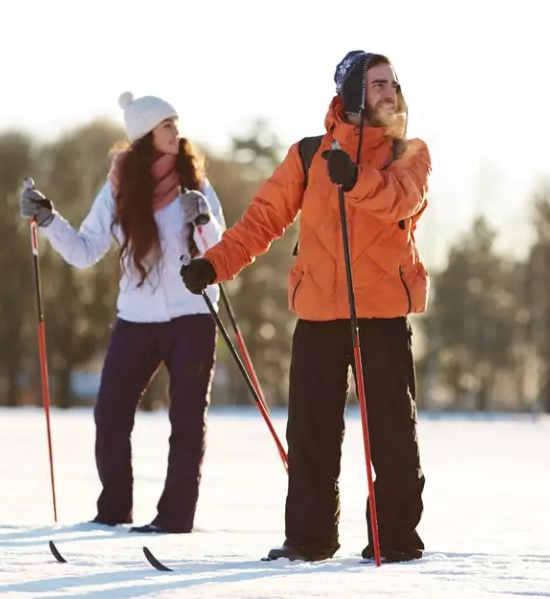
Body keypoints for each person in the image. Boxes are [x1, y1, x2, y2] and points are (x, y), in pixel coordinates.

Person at [180, 51, 432, 562]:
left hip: (381, 314)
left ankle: (396, 542)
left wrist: (355, 179)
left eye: (393, 83)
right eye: (377, 82)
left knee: (391, 434)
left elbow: (401, 200)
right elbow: (262, 220)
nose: (390, 91)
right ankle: (309, 540)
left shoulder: (410, 151)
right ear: (353, 92)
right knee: (312, 431)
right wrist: (214, 264)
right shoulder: (308, 155)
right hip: (318, 313)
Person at [20, 91, 225, 534]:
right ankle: (113, 510)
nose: (177, 132)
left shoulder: (195, 184)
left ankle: (174, 519)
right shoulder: (119, 187)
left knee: (186, 420)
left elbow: (221, 251)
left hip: (192, 315)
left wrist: (204, 217)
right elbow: (85, 251)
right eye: (167, 125)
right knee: (110, 413)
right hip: (136, 318)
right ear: (147, 134)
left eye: (176, 124)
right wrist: (49, 220)